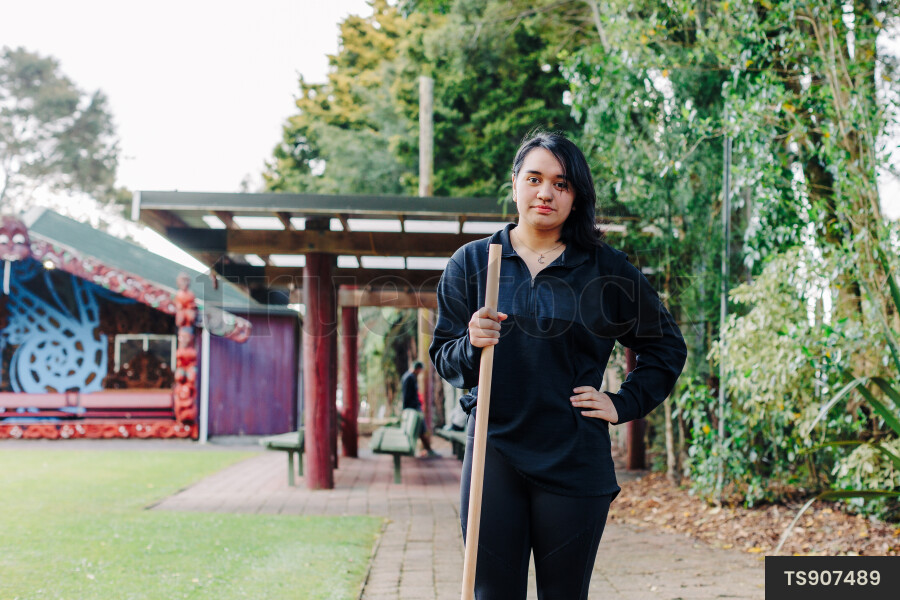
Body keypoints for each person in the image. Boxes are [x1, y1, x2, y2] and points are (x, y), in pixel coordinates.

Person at [429, 131, 687, 599]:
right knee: (493, 594)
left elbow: (666, 346)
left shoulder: (605, 269)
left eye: (561, 184)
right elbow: (446, 361)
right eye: (534, 178)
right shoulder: (472, 263)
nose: (545, 192)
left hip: (573, 455)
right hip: (494, 449)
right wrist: (470, 343)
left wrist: (622, 402)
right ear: (515, 185)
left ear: (576, 196)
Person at [400, 360, 439, 458]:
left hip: (414, 409)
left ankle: (428, 449)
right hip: (413, 409)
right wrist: (407, 408)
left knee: (422, 431)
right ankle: (428, 450)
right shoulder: (409, 378)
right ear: (417, 369)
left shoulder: (409, 376)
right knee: (421, 430)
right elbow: (406, 395)